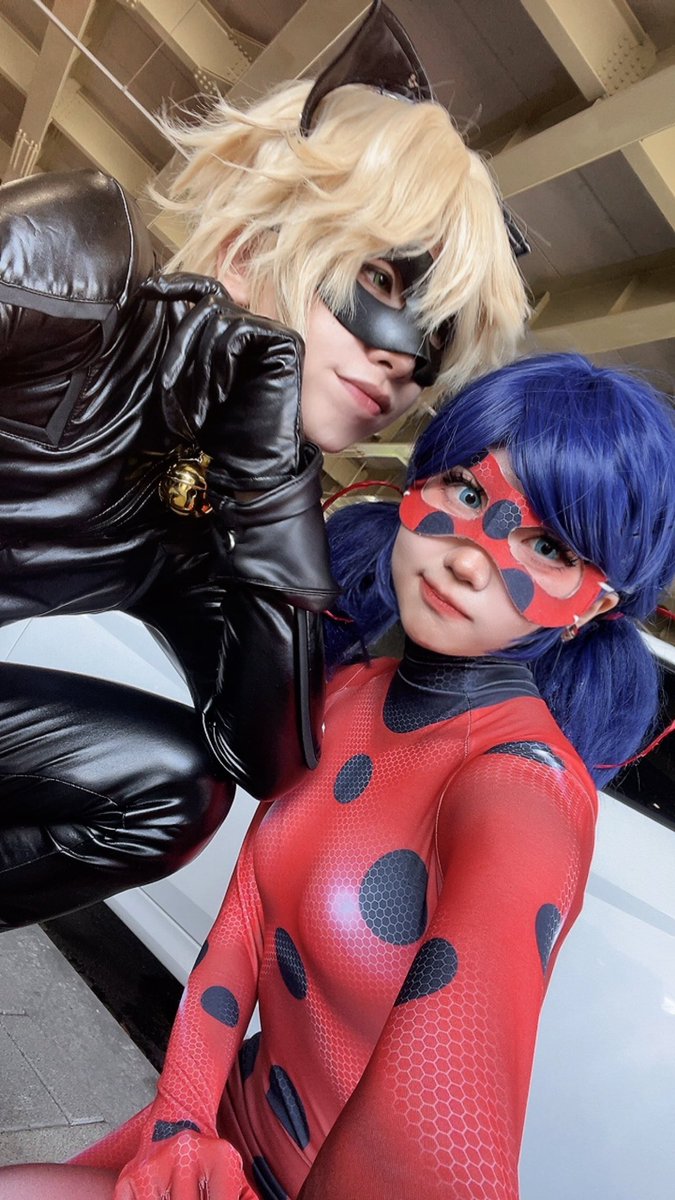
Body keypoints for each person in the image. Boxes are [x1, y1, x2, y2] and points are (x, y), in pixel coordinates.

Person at [3, 353, 672, 1199]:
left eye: (544, 547)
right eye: (468, 493)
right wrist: (179, 1119)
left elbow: (447, 1135)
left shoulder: (522, 787)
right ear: (419, 480)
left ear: (592, 605)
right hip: (213, 1130)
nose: (471, 559)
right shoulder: (349, 693)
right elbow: (245, 921)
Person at [0, 1, 528, 928]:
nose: (402, 358)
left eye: (436, 340)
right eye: (381, 282)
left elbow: (268, 759)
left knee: (174, 792)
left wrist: (269, 480)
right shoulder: (83, 263)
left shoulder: (220, 512)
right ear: (250, 250)